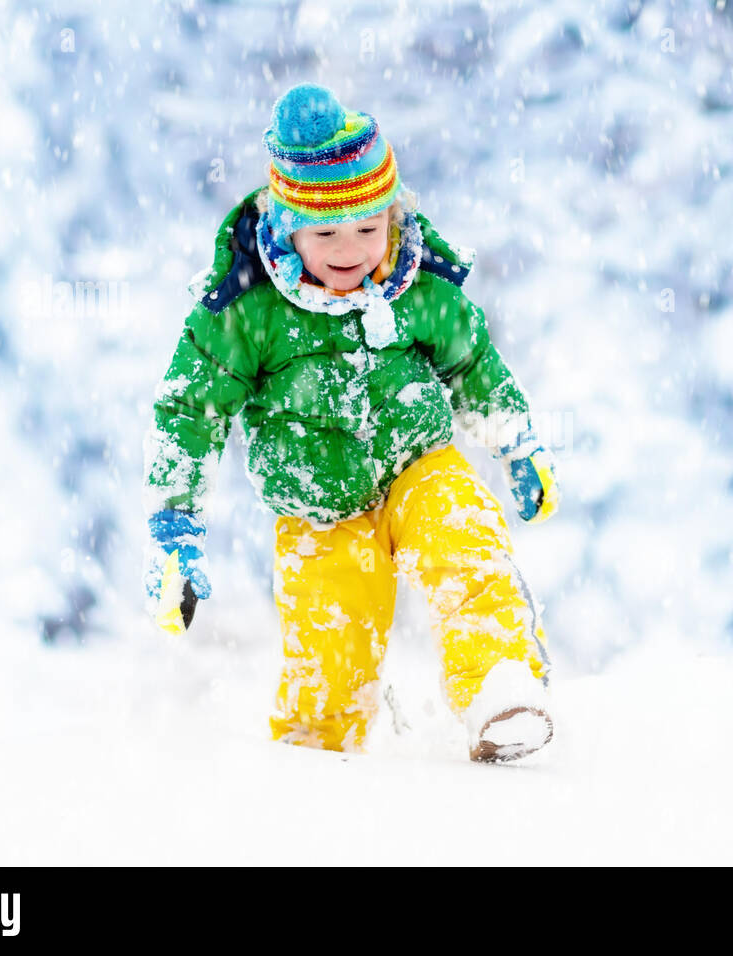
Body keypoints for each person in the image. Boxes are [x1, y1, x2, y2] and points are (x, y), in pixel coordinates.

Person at [142, 83, 560, 763]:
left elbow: (472, 362)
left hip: (417, 465)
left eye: (368, 228)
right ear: (285, 227)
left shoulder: (415, 284)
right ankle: (316, 759)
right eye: (326, 233)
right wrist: (175, 525)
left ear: (393, 219)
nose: (349, 249)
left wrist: (516, 441)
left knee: (465, 540)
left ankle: (498, 687)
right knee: (331, 641)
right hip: (318, 507)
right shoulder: (247, 310)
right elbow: (191, 412)